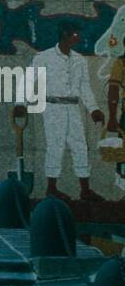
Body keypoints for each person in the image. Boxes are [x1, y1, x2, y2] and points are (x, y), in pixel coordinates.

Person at [30, 24, 105, 202]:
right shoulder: (44, 57)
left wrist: (93, 108)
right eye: (75, 34)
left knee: (80, 146)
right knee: (55, 146)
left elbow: (84, 86)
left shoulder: (79, 60)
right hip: (53, 108)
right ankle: (51, 188)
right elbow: (29, 80)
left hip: (73, 107)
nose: (78, 37)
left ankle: (85, 190)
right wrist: (19, 103)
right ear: (65, 35)